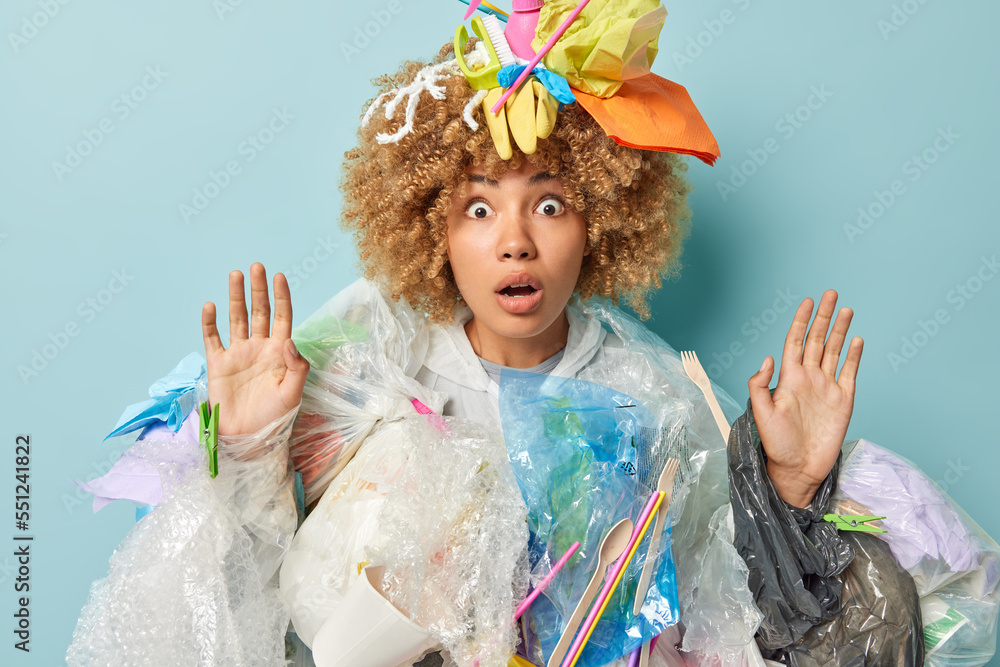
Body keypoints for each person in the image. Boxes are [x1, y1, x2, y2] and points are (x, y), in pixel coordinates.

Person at [69, 5, 998, 666]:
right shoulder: (369, 362)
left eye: (549, 202)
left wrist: (789, 491)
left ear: (600, 219)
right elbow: (242, 598)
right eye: (479, 207)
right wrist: (251, 447)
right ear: (431, 226)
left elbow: (732, 619)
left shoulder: (652, 397)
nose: (515, 239)